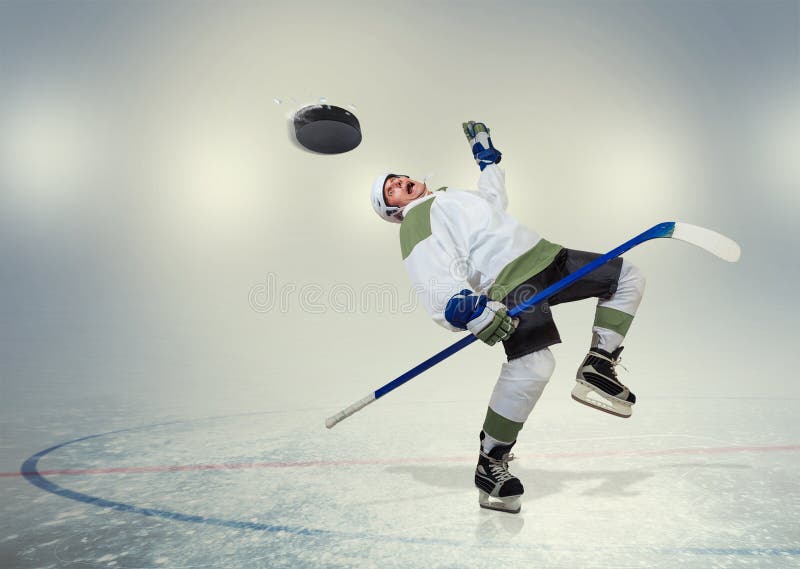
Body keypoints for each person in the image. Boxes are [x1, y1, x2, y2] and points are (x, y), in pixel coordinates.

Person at [369, 121, 646, 513]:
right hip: (513, 282)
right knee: (534, 365)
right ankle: (491, 462)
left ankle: (599, 364)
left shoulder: (451, 199)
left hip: (551, 256)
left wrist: (487, 163)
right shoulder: (417, 219)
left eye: (397, 177)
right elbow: (428, 270)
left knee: (627, 277)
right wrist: (462, 308)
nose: (398, 183)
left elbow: (493, 203)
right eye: (389, 190)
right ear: (393, 212)